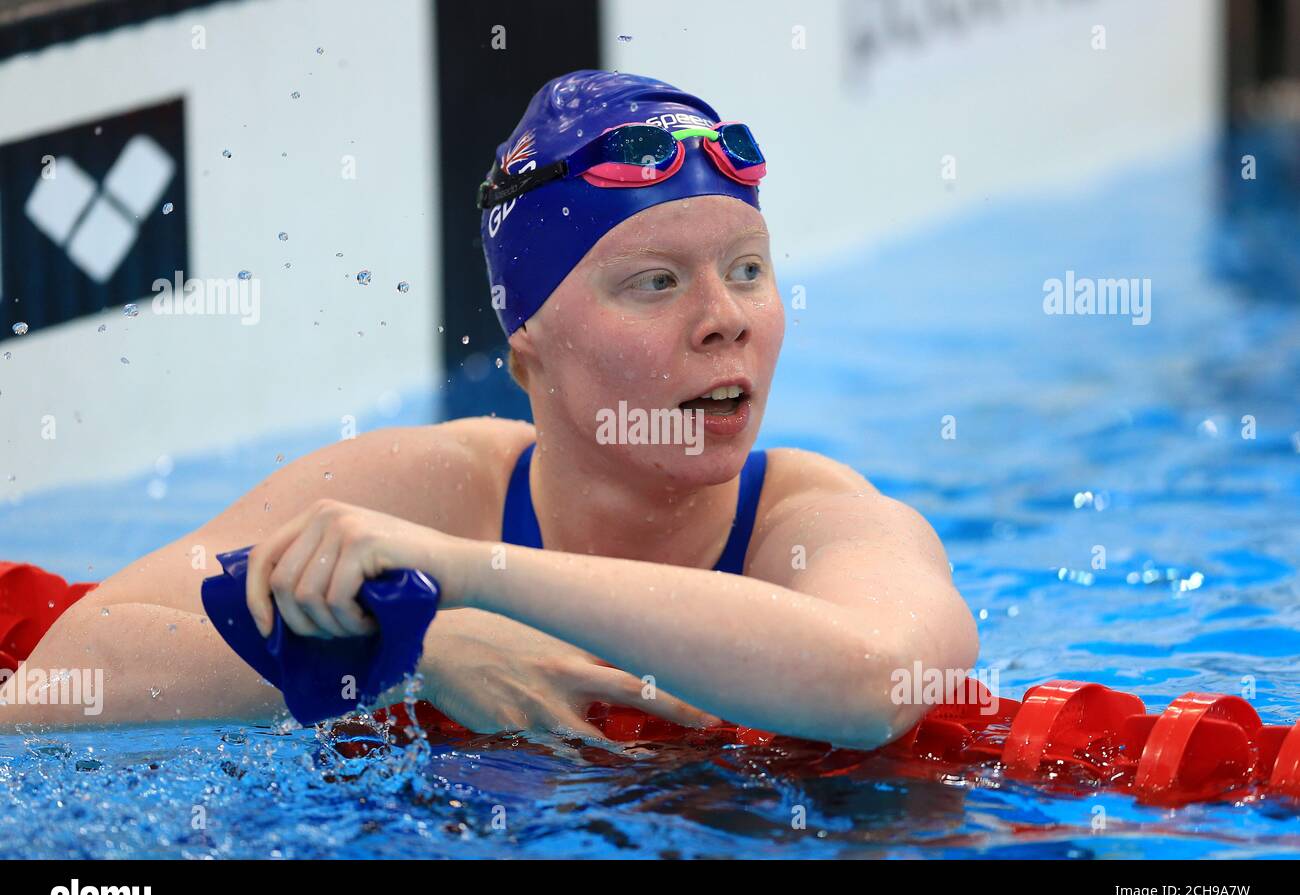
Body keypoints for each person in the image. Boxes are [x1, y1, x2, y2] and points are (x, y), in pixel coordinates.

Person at [10, 70, 977, 748]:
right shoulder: (430, 484)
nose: (725, 320)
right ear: (529, 355)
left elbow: (877, 683)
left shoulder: (817, 523)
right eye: (656, 281)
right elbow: (52, 686)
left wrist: (465, 579)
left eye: (748, 270)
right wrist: (409, 651)